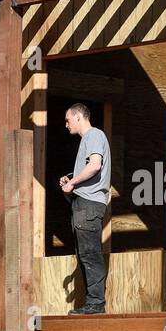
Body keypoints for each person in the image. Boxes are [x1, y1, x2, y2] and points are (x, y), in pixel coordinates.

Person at [59, 103, 111, 314]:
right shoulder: (88, 140)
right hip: (83, 203)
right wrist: (71, 181)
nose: (66, 124)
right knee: (85, 254)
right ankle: (93, 302)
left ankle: (96, 304)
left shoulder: (93, 135)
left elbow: (95, 165)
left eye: (68, 119)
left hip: (89, 205)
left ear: (79, 117)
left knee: (90, 254)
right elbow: (90, 170)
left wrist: (72, 183)